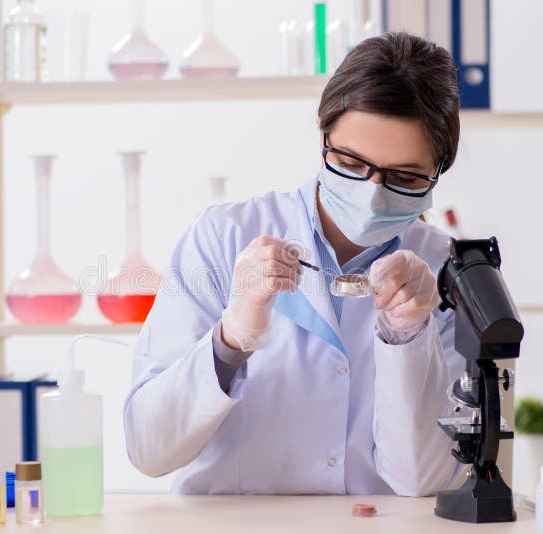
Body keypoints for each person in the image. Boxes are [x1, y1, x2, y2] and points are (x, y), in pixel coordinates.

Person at [124, 31, 465, 496]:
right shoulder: (223, 237)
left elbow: (422, 481)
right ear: (323, 130)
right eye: (350, 161)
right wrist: (230, 338)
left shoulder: (451, 272)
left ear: (438, 169)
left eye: (404, 176)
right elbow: (148, 448)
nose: (371, 191)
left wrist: (408, 337)